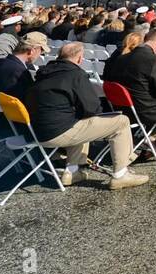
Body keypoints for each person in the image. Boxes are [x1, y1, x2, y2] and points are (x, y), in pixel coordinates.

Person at [23, 42, 148, 189]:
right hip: (57, 133)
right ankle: (121, 174)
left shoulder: (43, 72)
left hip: (36, 131)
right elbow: (92, 108)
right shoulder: (75, 74)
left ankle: (72, 172)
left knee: (80, 119)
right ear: (79, 59)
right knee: (121, 121)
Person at [0, 33, 48, 98]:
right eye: (41, 50)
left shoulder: (0, 63)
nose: (40, 54)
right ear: (32, 51)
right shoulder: (21, 73)